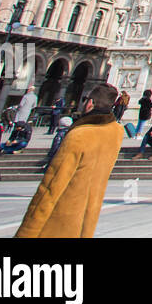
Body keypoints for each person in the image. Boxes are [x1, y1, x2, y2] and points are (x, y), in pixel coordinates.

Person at [15, 83, 125, 236]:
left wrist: (27, 232)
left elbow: (51, 188)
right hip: (86, 219)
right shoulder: (116, 132)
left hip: (59, 221)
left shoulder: (80, 135)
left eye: (86, 99)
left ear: (90, 103)